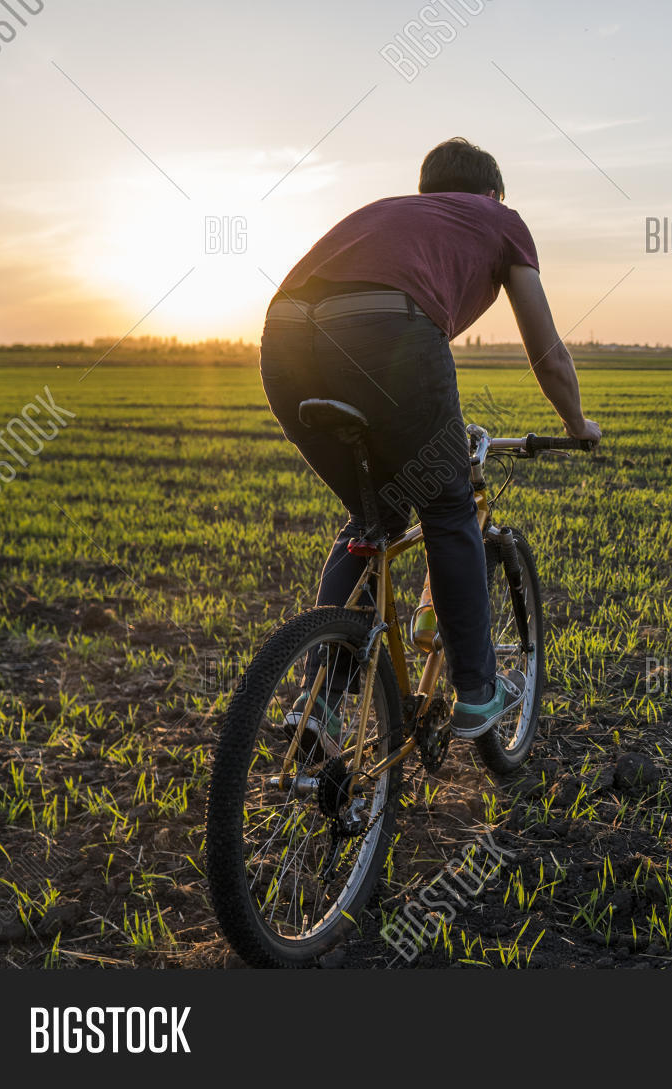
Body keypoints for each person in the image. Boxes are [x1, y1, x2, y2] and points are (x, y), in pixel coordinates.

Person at [259, 137, 600, 744]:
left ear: (429, 191)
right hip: (387, 329)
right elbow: (546, 352)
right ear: (492, 193)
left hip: (284, 334)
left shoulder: (391, 212)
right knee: (447, 508)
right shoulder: (500, 219)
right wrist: (578, 425)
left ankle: (319, 706)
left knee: (373, 518)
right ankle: (476, 693)